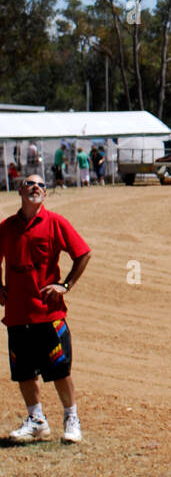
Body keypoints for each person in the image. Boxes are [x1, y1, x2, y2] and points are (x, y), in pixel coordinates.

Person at [0, 174, 91, 444]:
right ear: (19, 190)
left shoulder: (55, 223)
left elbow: (83, 253)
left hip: (48, 314)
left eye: (41, 185)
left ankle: (71, 418)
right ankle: (36, 420)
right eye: (29, 183)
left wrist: (65, 285)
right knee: (24, 371)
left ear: (46, 194)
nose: (35, 187)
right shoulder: (6, 227)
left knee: (60, 370)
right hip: (17, 314)